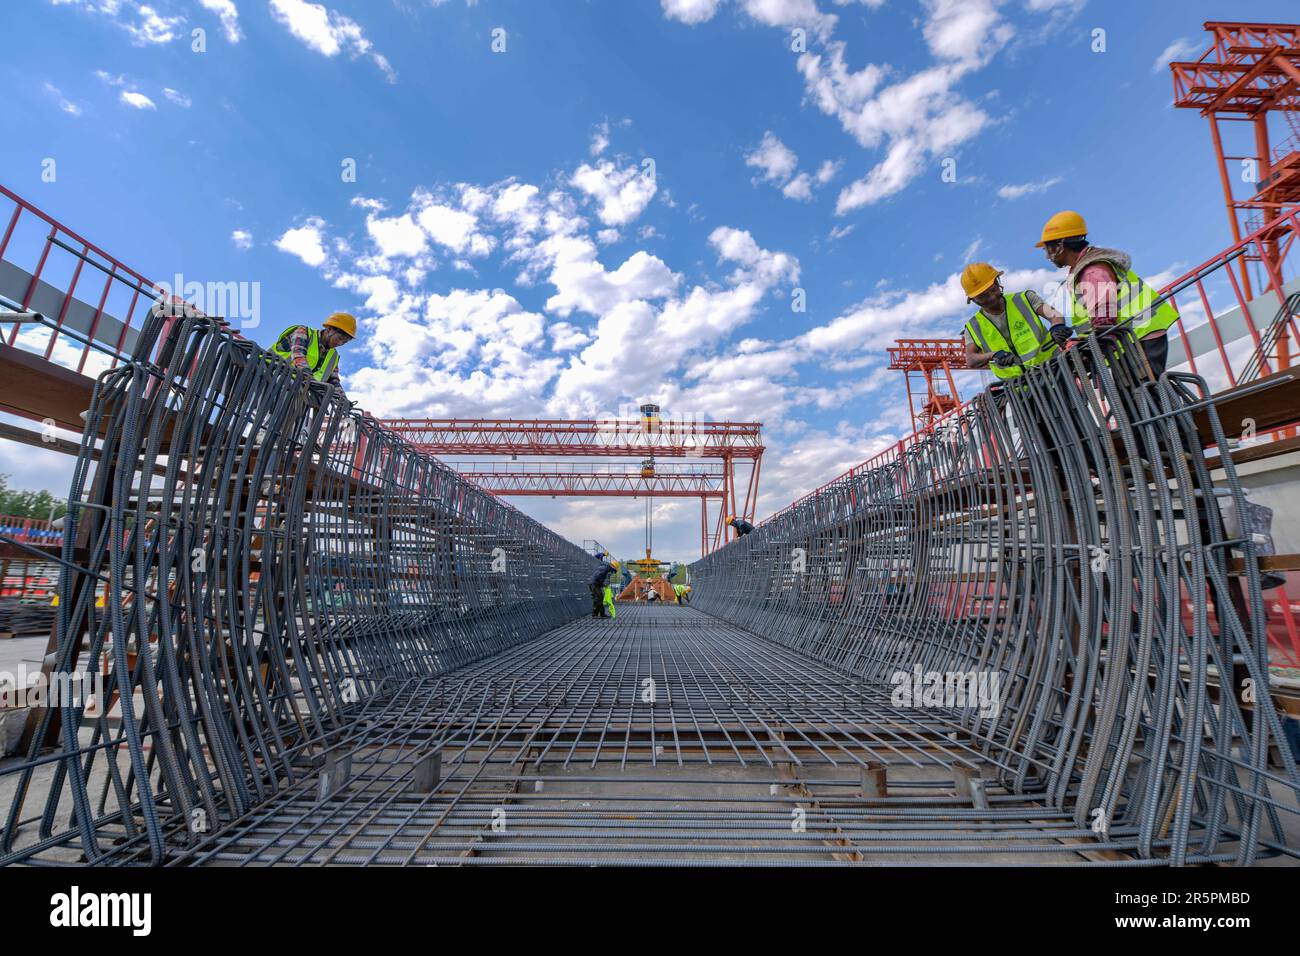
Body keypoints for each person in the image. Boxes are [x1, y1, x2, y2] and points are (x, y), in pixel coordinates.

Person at [1037, 211, 1178, 377]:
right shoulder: (1085, 267)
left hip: (1139, 335)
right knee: (1138, 390)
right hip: (1135, 335)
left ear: (1060, 246)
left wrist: (1083, 347)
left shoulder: (1092, 270)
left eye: (1047, 249)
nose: (1047, 256)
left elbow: (1104, 318)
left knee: (1143, 390)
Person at [960, 262, 1071, 378]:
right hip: (1019, 386)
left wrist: (1057, 327)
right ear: (973, 300)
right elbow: (971, 359)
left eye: (993, 290)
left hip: (1054, 370)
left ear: (998, 282)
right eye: (983, 296)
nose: (991, 297)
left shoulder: (1025, 299)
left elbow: (1054, 315)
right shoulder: (973, 327)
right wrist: (993, 355)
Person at [270, 312, 357, 387]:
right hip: (269, 373)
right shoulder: (303, 332)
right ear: (329, 329)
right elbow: (298, 355)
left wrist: (341, 398)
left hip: (292, 387)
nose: (340, 343)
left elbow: (334, 381)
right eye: (340, 338)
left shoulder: (333, 357)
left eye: (344, 342)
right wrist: (311, 380)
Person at [589, 555, 619, 619]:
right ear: (613, 567)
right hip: (594, 584)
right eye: (614, 570)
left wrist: (602, 584)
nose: (613, 572)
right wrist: (603, 584)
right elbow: (599, 576)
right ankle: (595, 614)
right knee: (598, 598)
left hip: (595, 583)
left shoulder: (606, 568)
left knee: (600, 598)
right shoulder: (606, 569)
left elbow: (603, 577)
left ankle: (602, 614)